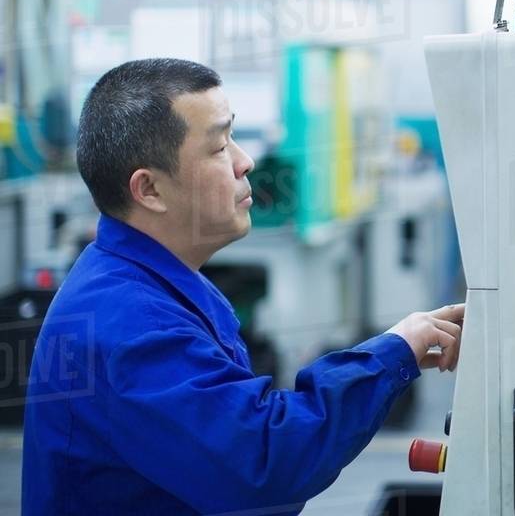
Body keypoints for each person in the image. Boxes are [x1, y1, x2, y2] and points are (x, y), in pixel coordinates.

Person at [22, 58, 464, 515]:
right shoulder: (129, 328)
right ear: (149, 190)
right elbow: (263, 462)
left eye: (234, 137)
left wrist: (398, 347)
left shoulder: (154, 280)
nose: (244, 160)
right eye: (217, 147)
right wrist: (392, 353)